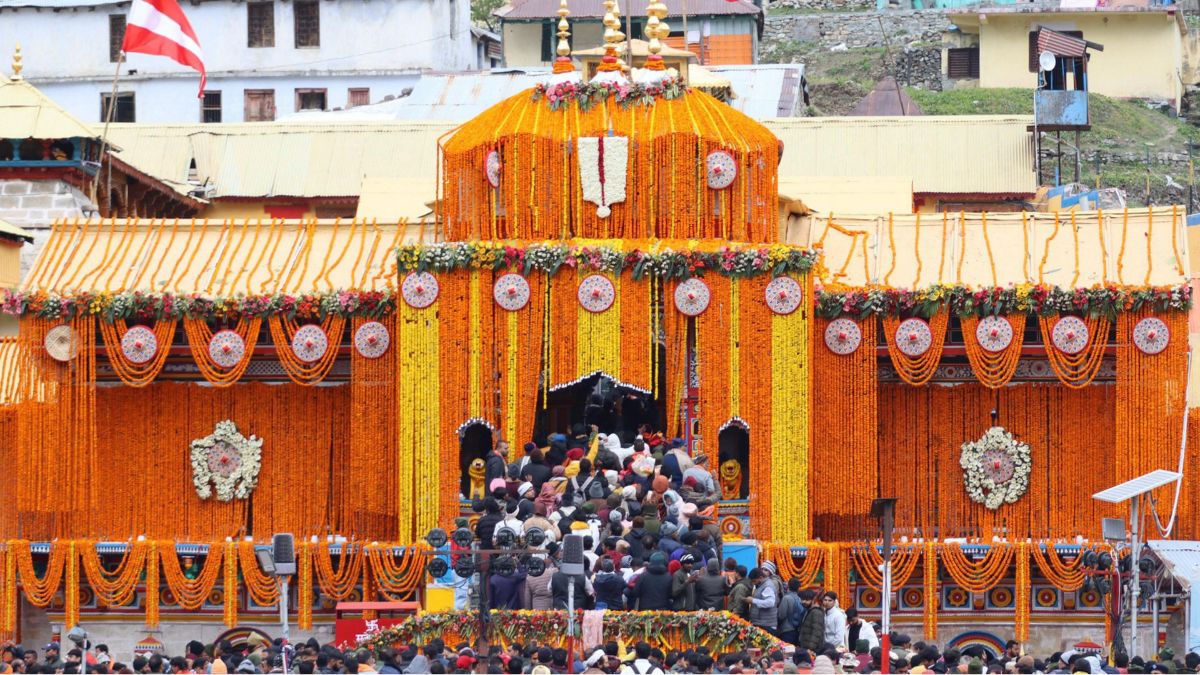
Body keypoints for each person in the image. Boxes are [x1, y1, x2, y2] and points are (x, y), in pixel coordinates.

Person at [747, 567, 778, 633]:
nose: (753, 583)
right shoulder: (761, 585)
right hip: (761, 623)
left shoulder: (767, 586)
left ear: (761, 578)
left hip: (766, 625)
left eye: (754, 581)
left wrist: (753, 600)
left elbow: (770, 603)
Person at [777, 578, 804, 645]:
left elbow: (781, 615)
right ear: (798, 588)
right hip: (796, 629)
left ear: (788, 586)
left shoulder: (786, 598)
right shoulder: (799, 598)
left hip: (786, 629)